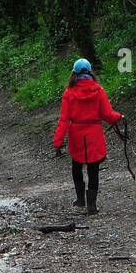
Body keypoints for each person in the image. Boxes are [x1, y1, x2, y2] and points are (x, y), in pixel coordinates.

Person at [52, 58, 124, 214]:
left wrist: (57, 141)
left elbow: (64, 119)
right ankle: (92, 205)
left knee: (76, 165)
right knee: (93, 169)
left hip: (76, 133)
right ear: (90, 72)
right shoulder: (99, 90)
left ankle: (80, 199)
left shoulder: (69, 93)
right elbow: (107, 114)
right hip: (94, 133)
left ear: (74, 73)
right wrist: (120, 117)